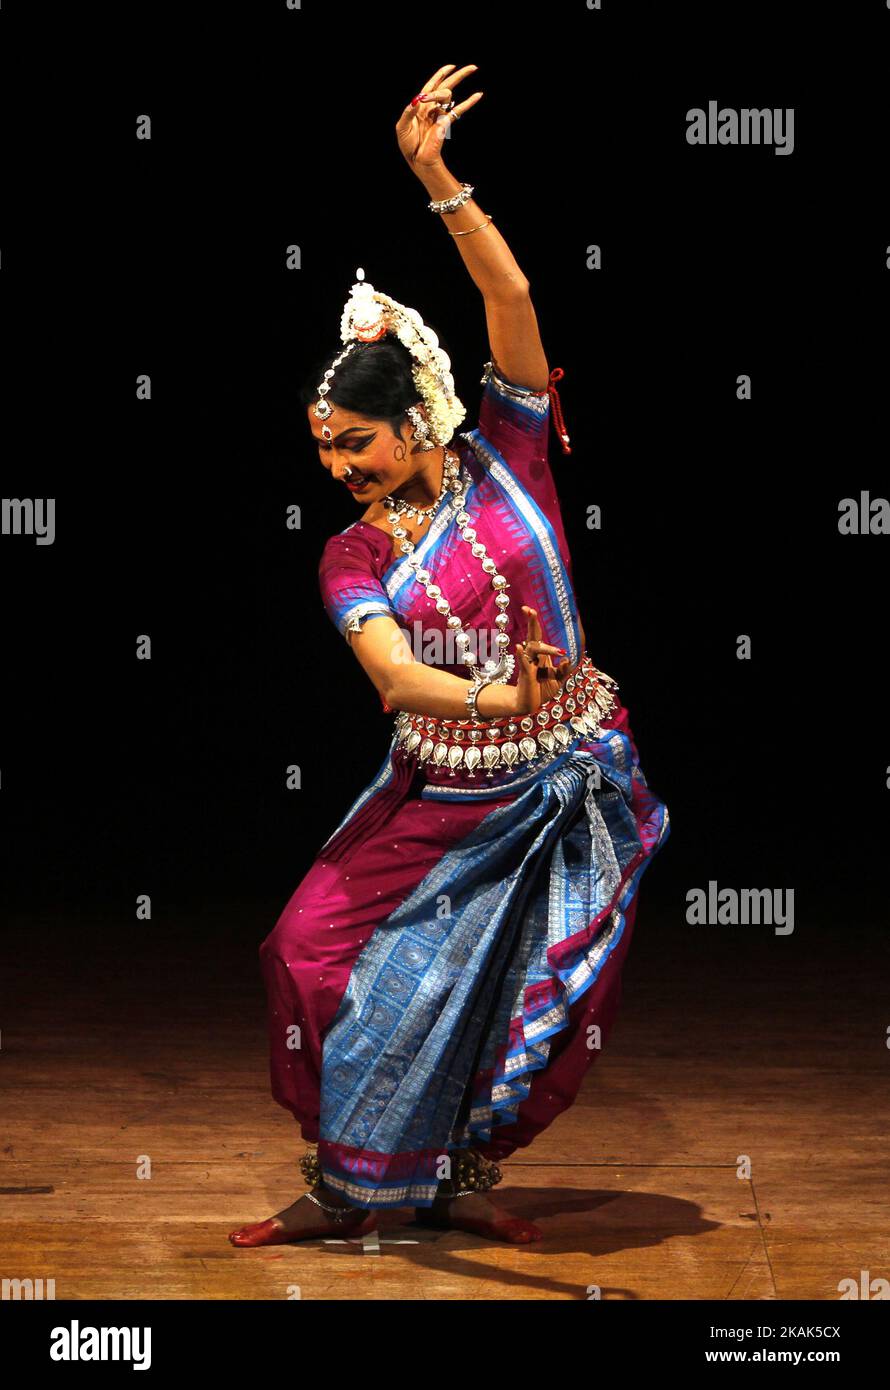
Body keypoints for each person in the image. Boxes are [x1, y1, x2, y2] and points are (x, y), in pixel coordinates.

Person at [229, 62, 669, 1249]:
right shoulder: (349, 552)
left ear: (415, 419)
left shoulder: (510, 459)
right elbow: (389, 677)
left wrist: (435, 181)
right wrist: (484, 686)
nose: (338, 466)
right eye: (323, 449)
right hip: (436, 787)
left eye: (353, 442)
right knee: (307, 953)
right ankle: (344, 1180)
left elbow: (513, 296)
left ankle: (458, 1171)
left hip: (558, 782)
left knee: (506, 984)